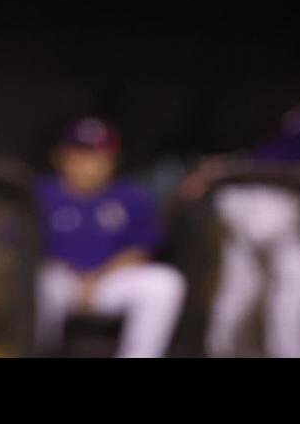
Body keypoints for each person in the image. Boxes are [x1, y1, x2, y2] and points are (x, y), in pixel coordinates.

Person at [34, 117, 186, 358]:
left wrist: (96, 279)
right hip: (59, 278)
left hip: (106, 281)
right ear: (61, 157)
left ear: (113, 161)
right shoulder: (39, 194)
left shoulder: (131, 196)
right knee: (42, 284)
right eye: (81, 155)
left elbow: (140, 248)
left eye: (100, 157)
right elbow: (22, 249)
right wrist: (71, 276)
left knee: (165, 282)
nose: (90, 165)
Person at [181, 100, 300, 357]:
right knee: (297, 279)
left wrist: (214, 172)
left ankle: (223, 349)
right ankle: (288, 351)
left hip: (241, 196)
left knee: (245, 285)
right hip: (268, 200)